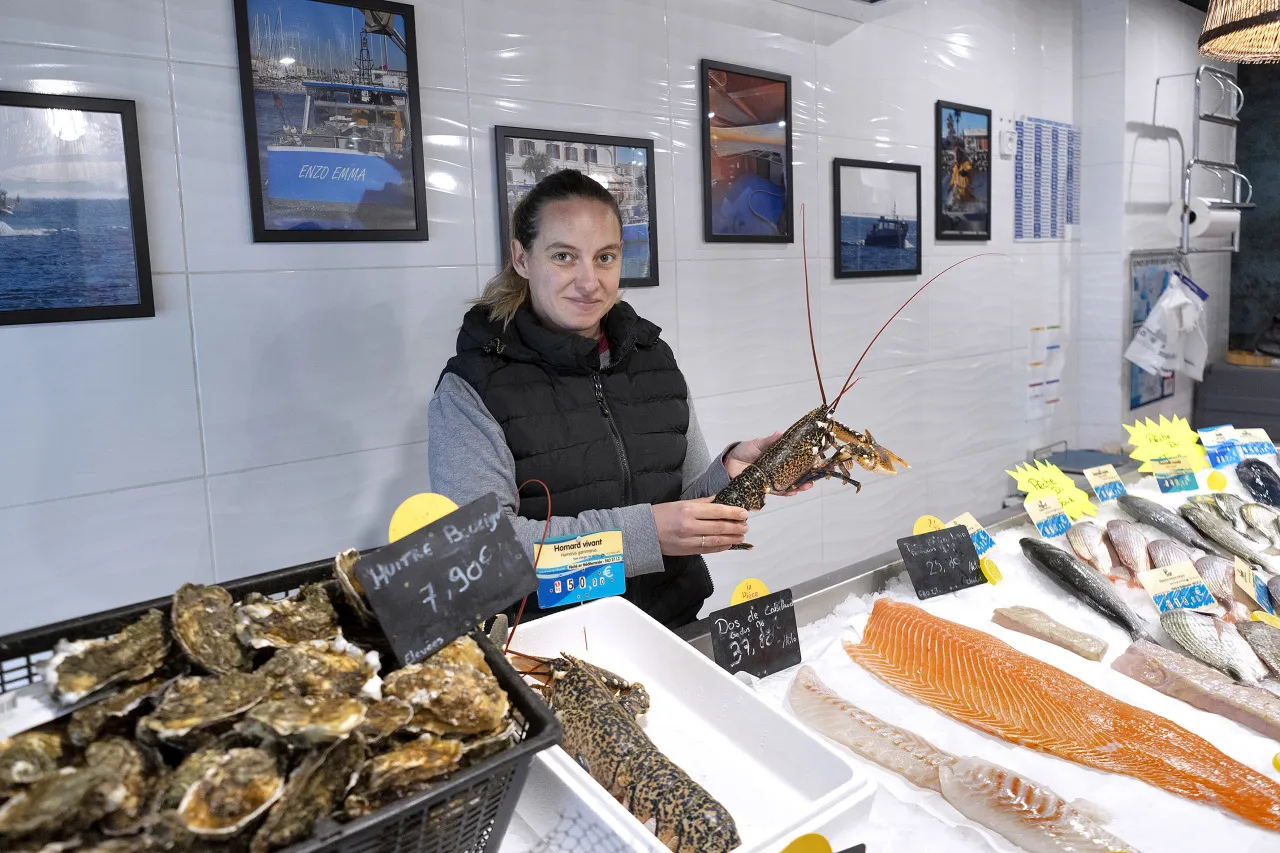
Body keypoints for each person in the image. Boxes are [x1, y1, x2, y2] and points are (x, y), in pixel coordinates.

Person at [428, 169, 806, 628]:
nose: (589, 282)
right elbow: (482, 552)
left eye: (604, 257)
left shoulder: (653, 360)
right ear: (522, 258)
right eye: (564, 256)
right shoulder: (472, 387)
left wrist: (732, 473)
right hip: (547, 647)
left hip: (673, 624)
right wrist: (643, 535)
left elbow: (685, 500)